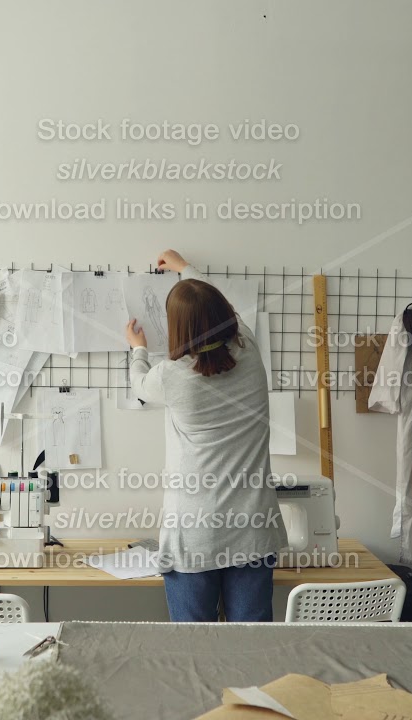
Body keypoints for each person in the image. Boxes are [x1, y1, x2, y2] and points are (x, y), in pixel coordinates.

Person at [125, 249, 287, 622]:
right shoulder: (249, 349)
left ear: (178, 330)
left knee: (192, 645)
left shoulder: (171, 376)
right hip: (254, 530)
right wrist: (186, 269)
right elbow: (224, 308)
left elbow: (139, 383)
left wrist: (138, 349)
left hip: (193, 536)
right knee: (253, 644)